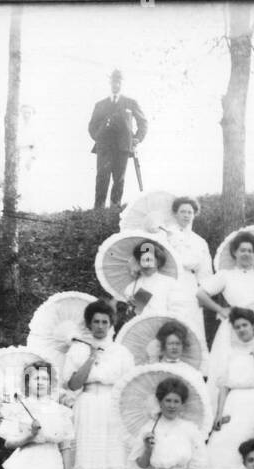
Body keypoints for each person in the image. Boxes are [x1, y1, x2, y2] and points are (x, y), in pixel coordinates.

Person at [64, 299, 134, 469]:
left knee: (112, 460)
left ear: (111, 324)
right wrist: (90, 357)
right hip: (87, 407)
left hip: (112, 409)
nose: (101, 326)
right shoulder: (78, 349)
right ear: (89, 323)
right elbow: (73, 384)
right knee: (88, 459)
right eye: (96, 322)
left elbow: (129, 386)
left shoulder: (122, 352)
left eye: (105, 322)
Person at [205, 305, 254, 469]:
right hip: (233, 403)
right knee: (225, 444)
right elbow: (224, 385)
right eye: (237, 327)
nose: (241, 330)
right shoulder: (232, 353)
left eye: (244, 325)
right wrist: (219, 413)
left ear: (253, 326)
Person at [88, 68, 147, 210]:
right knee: (102, 176)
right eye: (114, 81)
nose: (116, 84)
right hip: (105, 147)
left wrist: (137, 139)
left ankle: (115, 208)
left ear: (122, 83)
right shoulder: (100, 104)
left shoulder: (130, 102)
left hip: (122, 147)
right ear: (110, 83)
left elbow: (143, 122)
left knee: (119, 179)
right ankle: (99, 209)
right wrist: (99, 138)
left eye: (118, 81)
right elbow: (92, 126)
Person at [162, 197, 212, 330]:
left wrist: (203, 295)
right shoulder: (164, 234)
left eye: (190, 212)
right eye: (182, 211)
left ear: (194, 215)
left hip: (189, 285)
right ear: (175, 213)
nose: (186, 215)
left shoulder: (199, 241)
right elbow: (148, 255)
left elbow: (205, 271)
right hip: (167, 281)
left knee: (191, 326)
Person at [123, 238, 180, 318]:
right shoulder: (131, 288)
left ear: (158, 261)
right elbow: (130, 317)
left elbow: (176, 311)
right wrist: (131, 308)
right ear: (139, 262)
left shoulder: (170, 283)